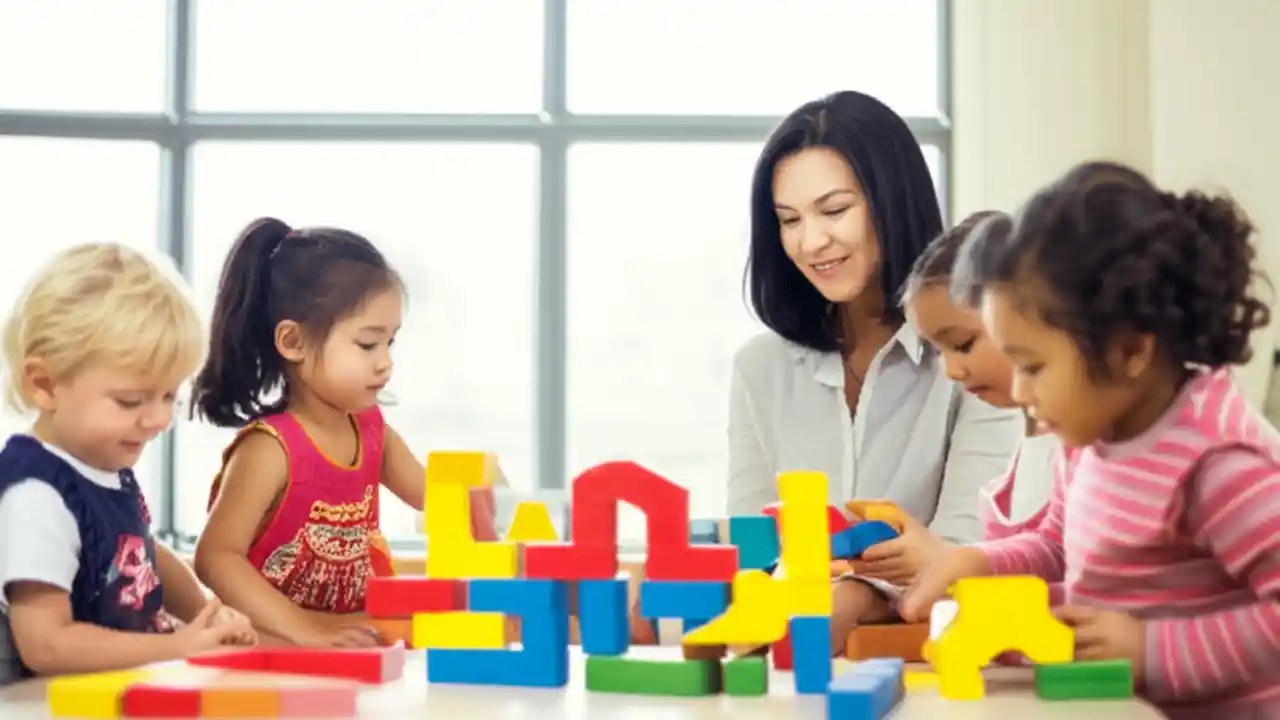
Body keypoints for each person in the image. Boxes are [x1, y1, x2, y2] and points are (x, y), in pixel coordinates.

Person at [902, 161, 1280, 717]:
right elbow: (1060, 548)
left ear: (1129, 350)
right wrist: (978, 564)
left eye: (1032, 366)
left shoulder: (1216, 463)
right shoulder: (1089, 440)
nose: (1022, 392)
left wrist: (1152, 651)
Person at [728, 90, 1021, 650]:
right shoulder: (758, 369)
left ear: (891, 202)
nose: (811, 242)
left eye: (834, 210)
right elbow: (756, 553)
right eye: (789, 220)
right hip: (790, 663)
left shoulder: (969, 358)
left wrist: (861, 593)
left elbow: (969, 548)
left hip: (931, 664)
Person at [191, 218, 497, 648]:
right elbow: (215, 557)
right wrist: (302, 625)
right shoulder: (269, 449)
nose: (385, 362)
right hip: (272, 642)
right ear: (293, 341)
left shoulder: (374, 432)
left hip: (350, 637)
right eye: (368, 345)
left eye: (391, 343)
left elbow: (438, 498)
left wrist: (495, 521)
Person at [0, 244, 255, 684]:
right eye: (130, 400)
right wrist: (179, 644)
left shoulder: (97, 464)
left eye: (169, 397)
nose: (158, 419)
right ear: (44, 384)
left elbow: (141, 551)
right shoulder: (35, 497)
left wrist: (204, 611)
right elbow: (46, 645)